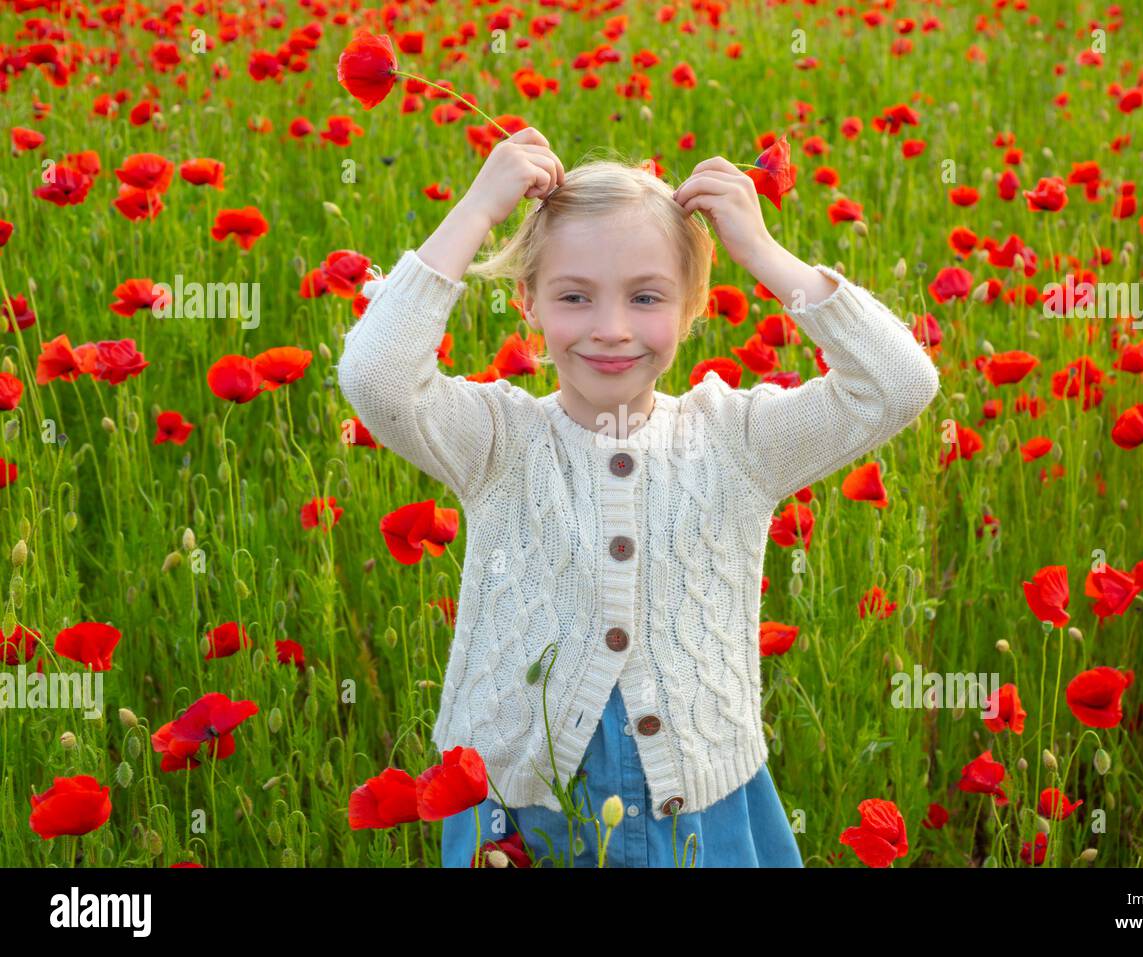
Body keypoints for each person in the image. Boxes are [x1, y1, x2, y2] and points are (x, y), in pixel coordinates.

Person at [336, 126, 941, 867]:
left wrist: (761, 252)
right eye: (575, 296)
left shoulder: (737, 441)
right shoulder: (498, 441)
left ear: (693, 306)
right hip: (527, 811)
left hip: (697, 806)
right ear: (528, 302)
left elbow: (900, 383)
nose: (611, 329)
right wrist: (476, 209)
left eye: (647, 296)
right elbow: (375, 376)